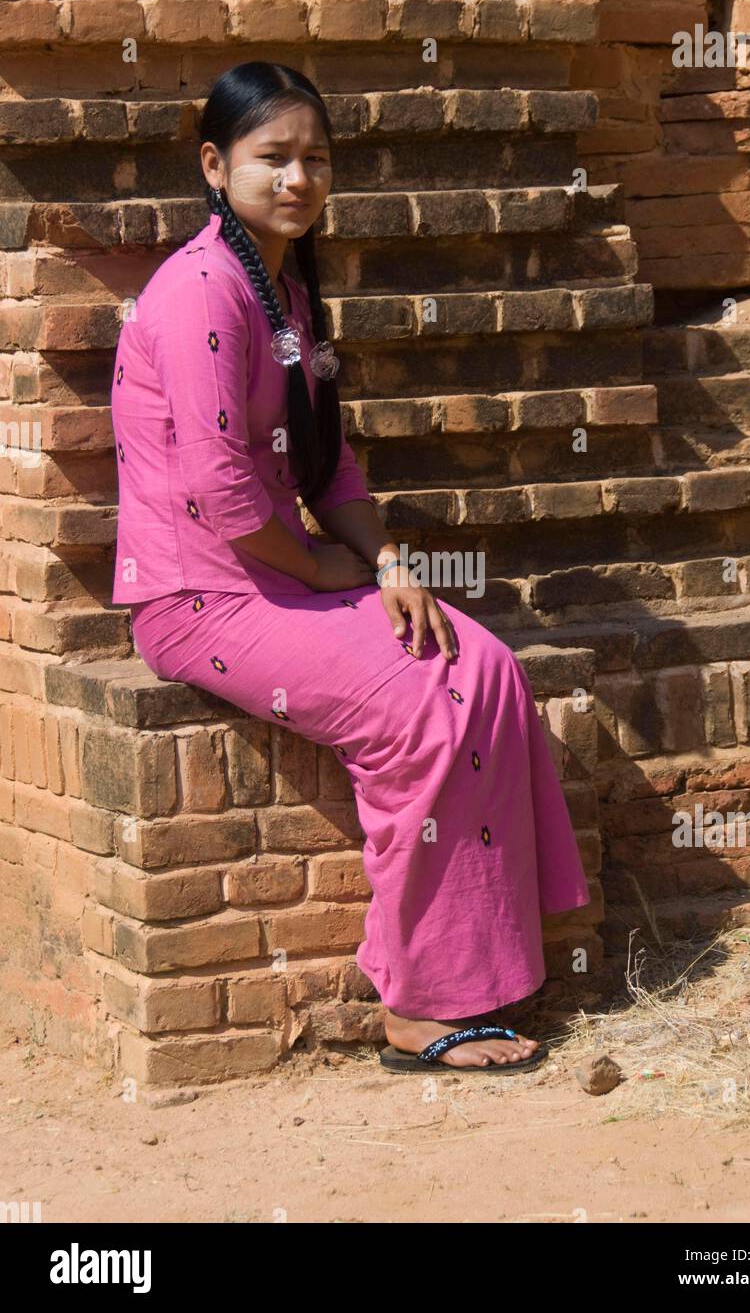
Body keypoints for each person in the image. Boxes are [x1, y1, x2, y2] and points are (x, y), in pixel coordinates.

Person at [110, 61, 590, 1073]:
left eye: (315, 158)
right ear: (214, 165)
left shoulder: (281, 289)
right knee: (424, 703)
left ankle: (478, 965)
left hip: (271, 576)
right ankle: (417, 1006)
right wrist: (337, 574)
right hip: (198, 596)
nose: (297, 178)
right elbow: (219, 494)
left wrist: (386, 560)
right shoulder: (202, 289)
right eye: (272, 158)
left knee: (484, 663)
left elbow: (330, 465)